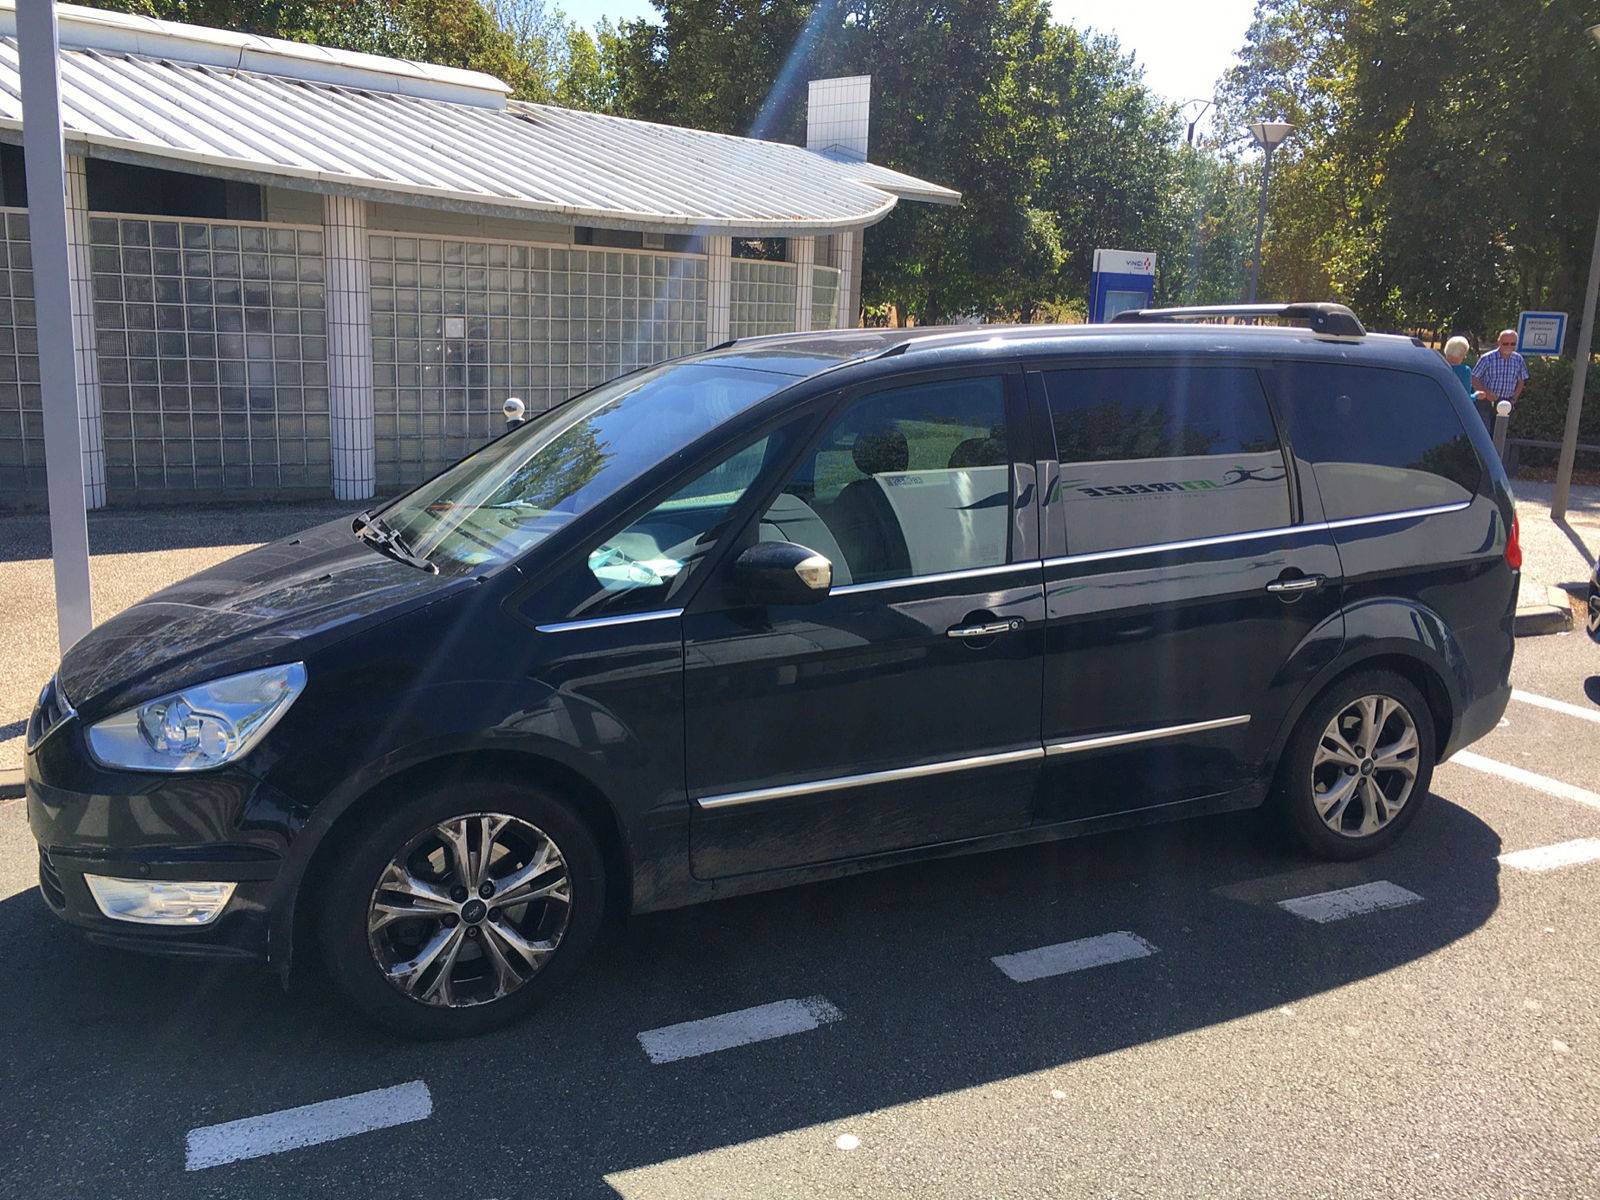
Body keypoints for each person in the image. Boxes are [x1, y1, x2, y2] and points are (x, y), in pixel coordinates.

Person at [1470, 329, 1529, 430]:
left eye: (1513, 343)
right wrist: (1486, 393)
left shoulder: (1518, 359)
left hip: (1506, 401)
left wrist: (1514, 398)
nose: (1509, 346)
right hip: (1486, 401)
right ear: (1499, 342)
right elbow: (1474, 378)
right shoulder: (1487, 358)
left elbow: (1521, 380)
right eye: (1505, 343)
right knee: (1484, 431)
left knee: (1501, 432)